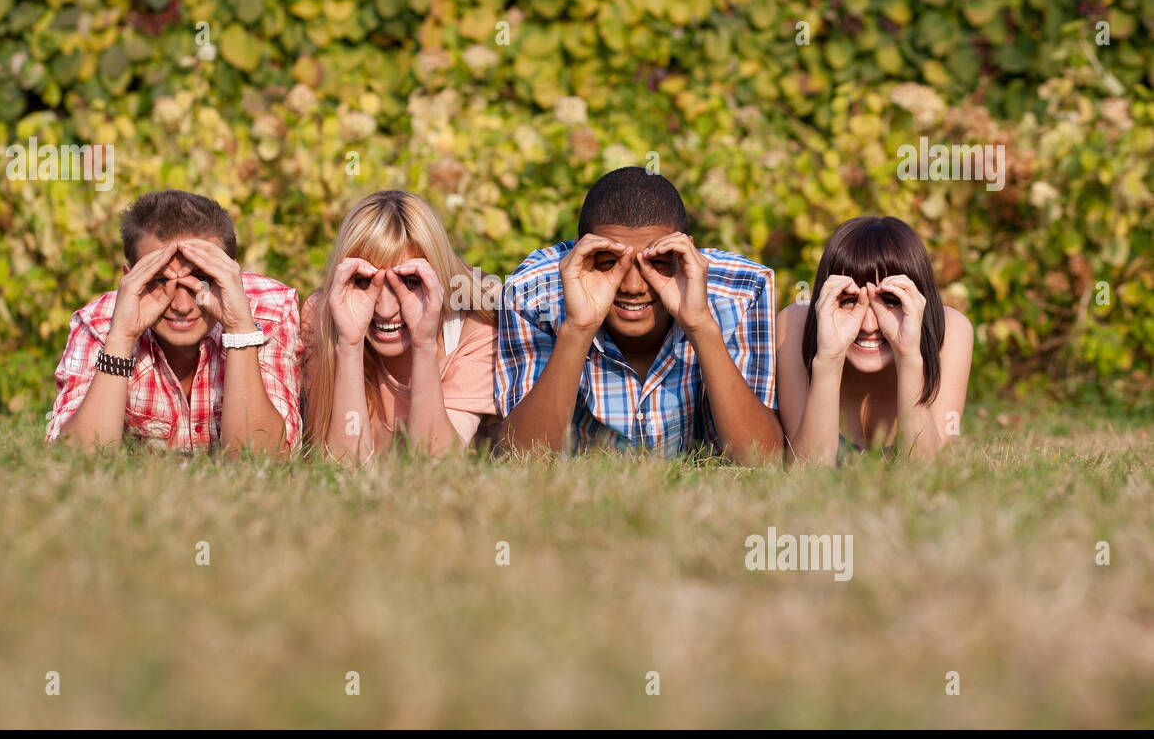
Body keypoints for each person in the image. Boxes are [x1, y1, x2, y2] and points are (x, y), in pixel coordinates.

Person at [495, 167, 782, 464]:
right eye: (609, 263)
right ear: (583, 252)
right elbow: (522, 460)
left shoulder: (743, 291)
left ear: (684, 253)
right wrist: (578, 328)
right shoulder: (533, 294)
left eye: (656, 263)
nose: (633, 287)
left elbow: (763, 461)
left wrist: (700, 326)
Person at [45, 190, 302, 456]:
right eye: (159, 280)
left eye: (201, 279)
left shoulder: (270, 309)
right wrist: (121, 337)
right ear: (129, 278)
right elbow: (75, 461)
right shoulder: (99, 322)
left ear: (230, 274)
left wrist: (239, 329)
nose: (182, 305)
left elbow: (263, 463)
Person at [302, 190, 499, 463]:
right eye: (363, 281)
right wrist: (348, 344)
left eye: (409, 282)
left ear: (437, 276)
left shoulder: (473, 331)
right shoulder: (322, 315)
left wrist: (425, 345)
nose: (385, 309)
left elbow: (433, 466)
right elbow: (344, 468)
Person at [775, 215, 973, 464]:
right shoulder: (796, 325)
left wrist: (909, 356)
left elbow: (927, 473)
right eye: (848, 300)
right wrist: (829, 358)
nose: (869, 325)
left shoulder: (951, 329)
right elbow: (807, 472)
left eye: (891, 301)